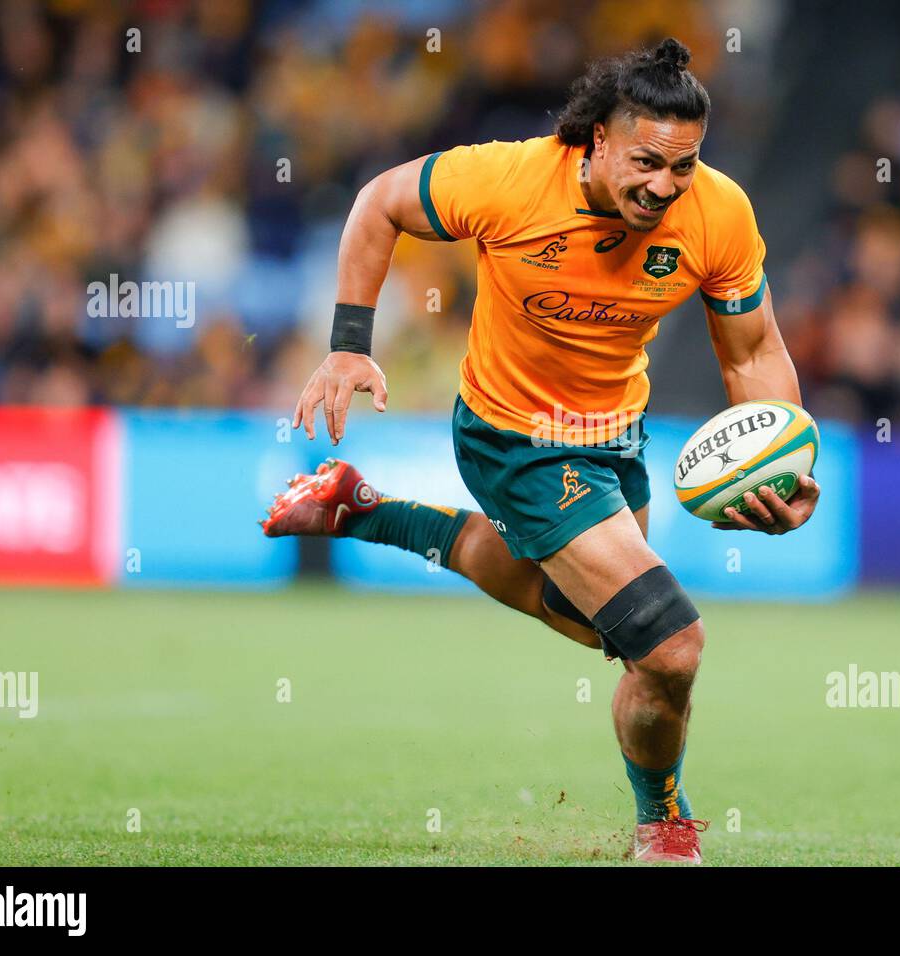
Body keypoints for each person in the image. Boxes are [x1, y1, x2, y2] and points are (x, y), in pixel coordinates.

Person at [262, 36, 820, 864]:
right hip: (512, 440)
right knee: (669, 645)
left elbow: (751, 351)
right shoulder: (510, 179)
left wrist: (786, 464)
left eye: (684, 167)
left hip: (615, 439)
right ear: (597, 139)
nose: (664, 187)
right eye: (646, 162)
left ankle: (369, 511)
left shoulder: (720, 212)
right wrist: (349, 343)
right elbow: (379, 202)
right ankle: (664, 825)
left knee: (596, 625)